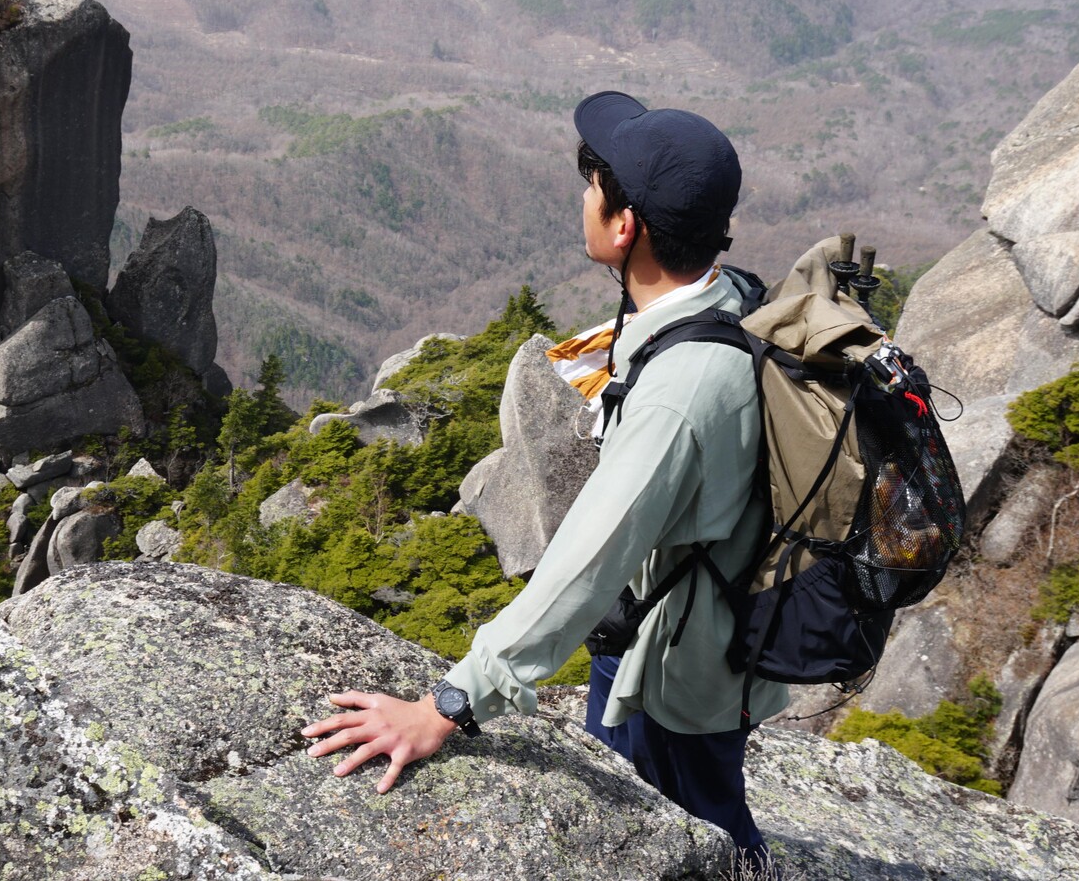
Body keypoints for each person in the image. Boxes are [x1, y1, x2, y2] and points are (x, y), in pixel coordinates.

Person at [300, 91, 786, 874]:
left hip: (675, 678)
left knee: (700, 835)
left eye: (593, 178)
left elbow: (584, 566)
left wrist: (446, 705)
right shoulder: (729, 298)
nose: (584, 191)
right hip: (672, 632)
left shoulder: (680, 394)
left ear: (626, 226)